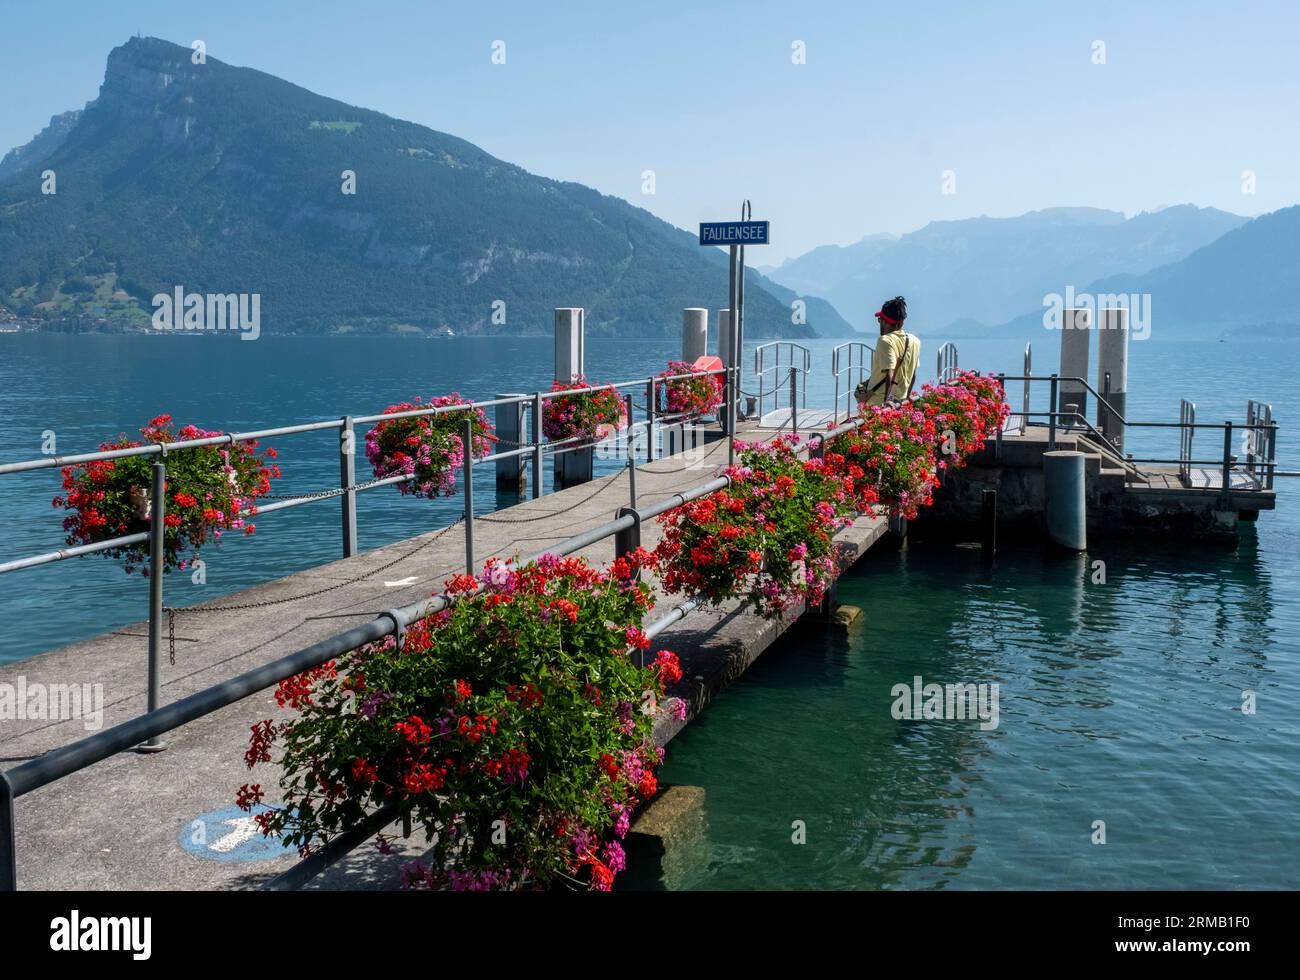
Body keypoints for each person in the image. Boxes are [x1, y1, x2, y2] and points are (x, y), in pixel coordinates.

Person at [855, 296, 921, 409]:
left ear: (885, 321)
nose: (879, 323)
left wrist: (888, 400)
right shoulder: (914, 341)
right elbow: (913, 374)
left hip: (879, 404)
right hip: (900, 402)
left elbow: (890, 372)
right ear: (901, 323)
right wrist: (908, 395)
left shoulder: (885, 340)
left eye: (879, 320)